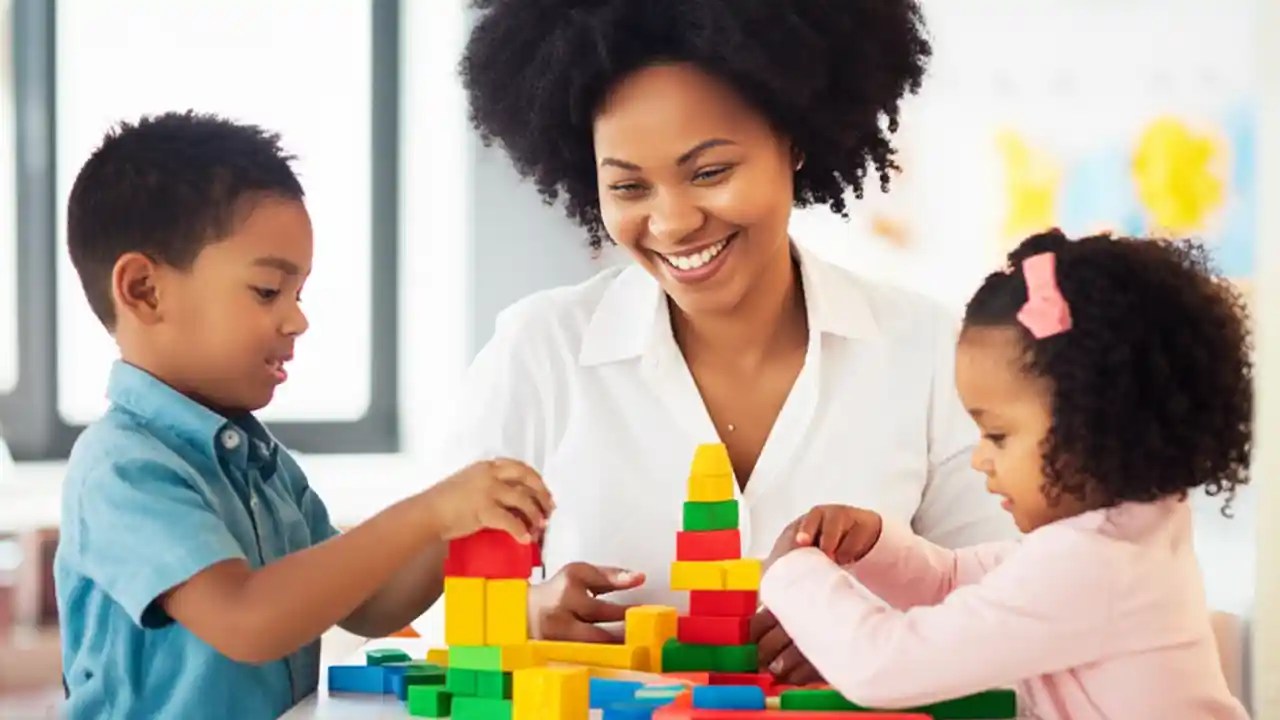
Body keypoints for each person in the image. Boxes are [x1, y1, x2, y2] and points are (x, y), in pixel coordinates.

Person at [453, 0, 1016, 684]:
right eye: (629, 186)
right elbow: (437, 601)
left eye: (710, 172)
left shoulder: (927, 350)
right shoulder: (538, 351)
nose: (672, 221)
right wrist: (527, 613)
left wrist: (878, 640)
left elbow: (1011, 600)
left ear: (794, 141)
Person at [52, 112, 553, 719]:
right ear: (144, 290)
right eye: (267, 291)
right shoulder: (123, 468)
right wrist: (427, 512)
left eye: (299, 295)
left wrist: (460, 526)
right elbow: (246, 619)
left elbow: (367, 606)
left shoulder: (263, 466)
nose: (297, 321)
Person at [759, 229, 1252, 718]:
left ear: (1094, 424)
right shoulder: (1132, 531)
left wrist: (793, 574)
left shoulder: (1090, 564)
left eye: (997, 436)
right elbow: (957, 581)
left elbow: (883, 668)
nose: (980, 460)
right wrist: (874, 548)